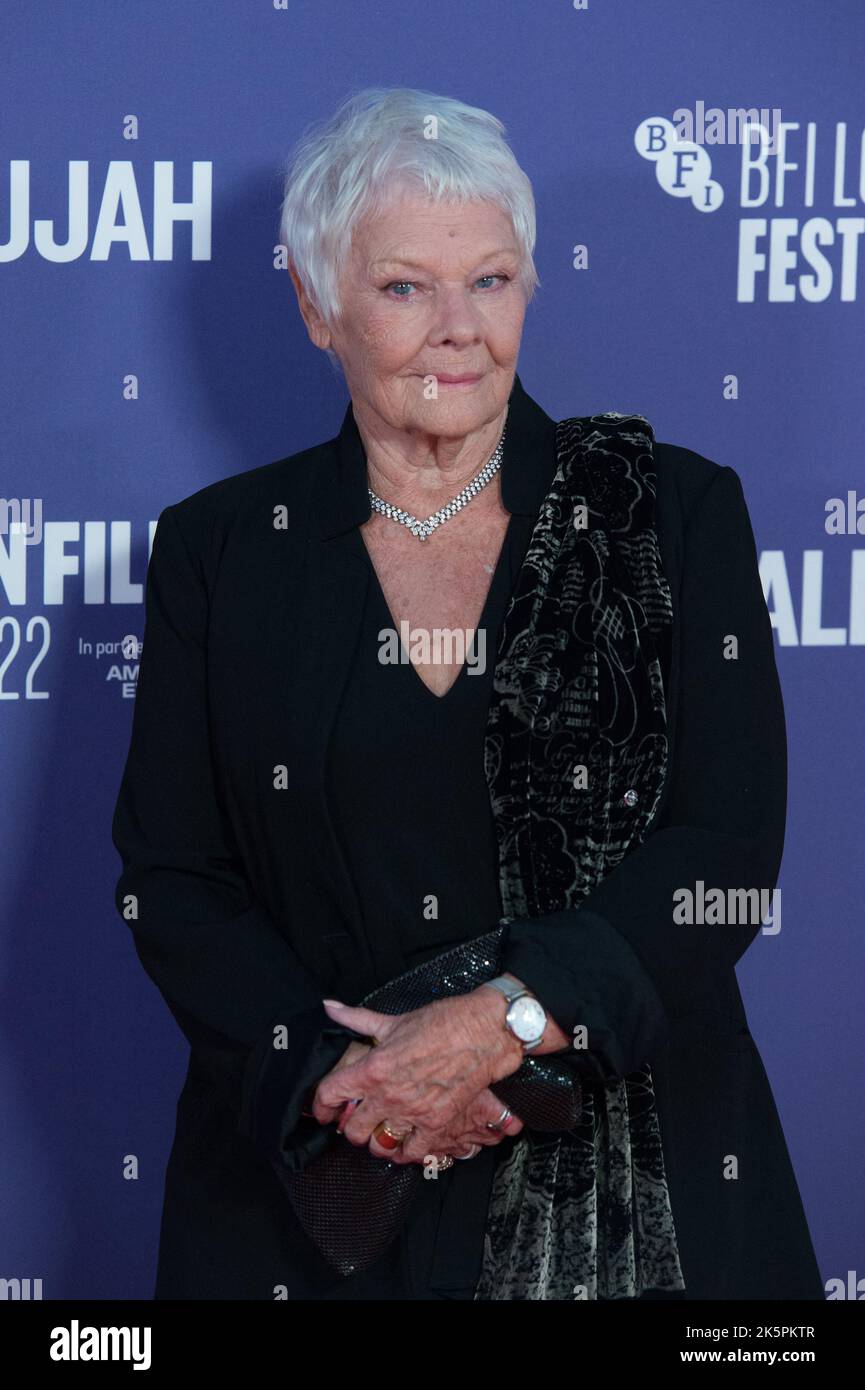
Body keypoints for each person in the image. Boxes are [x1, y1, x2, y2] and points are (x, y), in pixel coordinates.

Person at [111, 85, 823, 1300]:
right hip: (323, 1184)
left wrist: (509, 1021)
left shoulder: (671, 513)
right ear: (314, 303)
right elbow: (174, 876)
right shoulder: (222, 549)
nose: (458, 327)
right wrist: (351, 1083)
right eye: (403, 287)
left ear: (531, 287)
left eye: (489, 280)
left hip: (633, 1182)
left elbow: (728, 845)